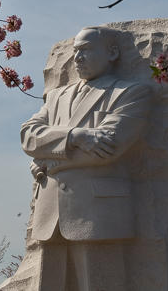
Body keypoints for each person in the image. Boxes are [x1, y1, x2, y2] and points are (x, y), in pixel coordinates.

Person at [19, 26, 153, 291]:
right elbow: (27, 136)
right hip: (50, 215)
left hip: (98, 214)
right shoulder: (57, 97)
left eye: (87, 50)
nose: (78, 58)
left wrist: (48, 161)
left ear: (112, 52)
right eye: (76, 51)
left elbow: (109, 147)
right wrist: (76, 136)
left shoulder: (130, 93)